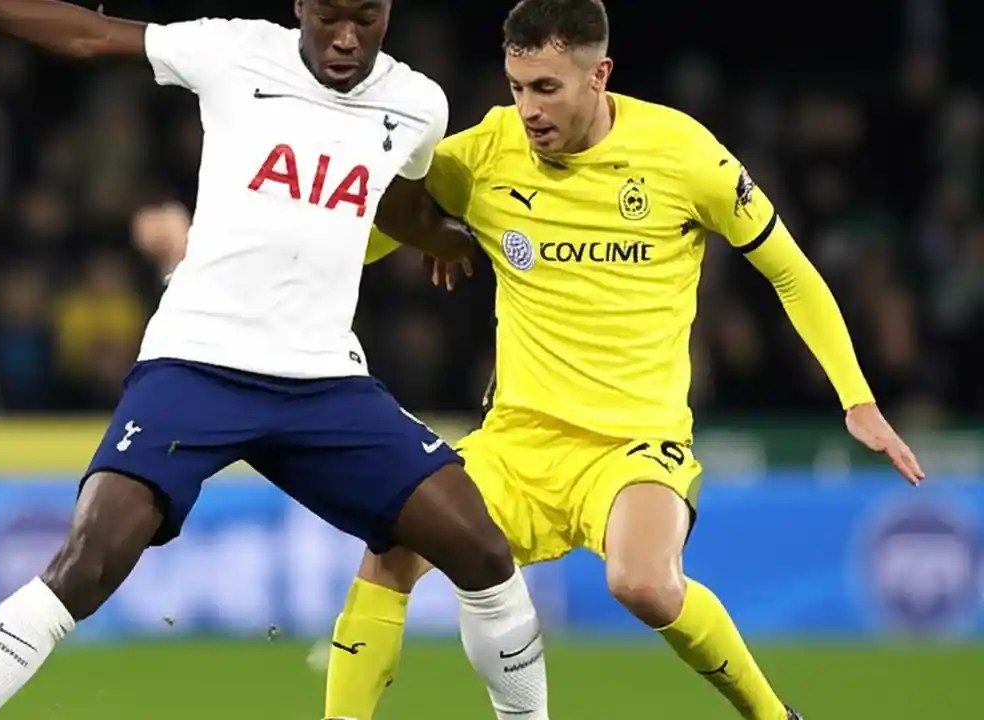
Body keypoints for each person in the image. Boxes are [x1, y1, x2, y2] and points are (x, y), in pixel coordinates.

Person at [0, 1, 553, 718]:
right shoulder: (233, 53)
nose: (347, 38)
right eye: (330, 17)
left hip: (323, 381)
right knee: (88, 563)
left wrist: (436, 236)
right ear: (300, 8)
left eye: (367, 19)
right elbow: (88, 34)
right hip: (198, 364)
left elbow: (398, 199)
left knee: (481, 551)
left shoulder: (417, 104)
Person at [325, 1, 926, 719]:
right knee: (391, 544)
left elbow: (790, 271)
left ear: (599, 75)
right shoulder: (489, 151)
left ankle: (774, 716)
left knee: (643, 585)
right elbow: (380, 218)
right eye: (517, 87)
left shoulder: (682, 154)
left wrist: (856, 399)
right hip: (519, 443)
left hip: (635, 445)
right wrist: (414, 240)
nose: (527, 110)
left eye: (546, 88)